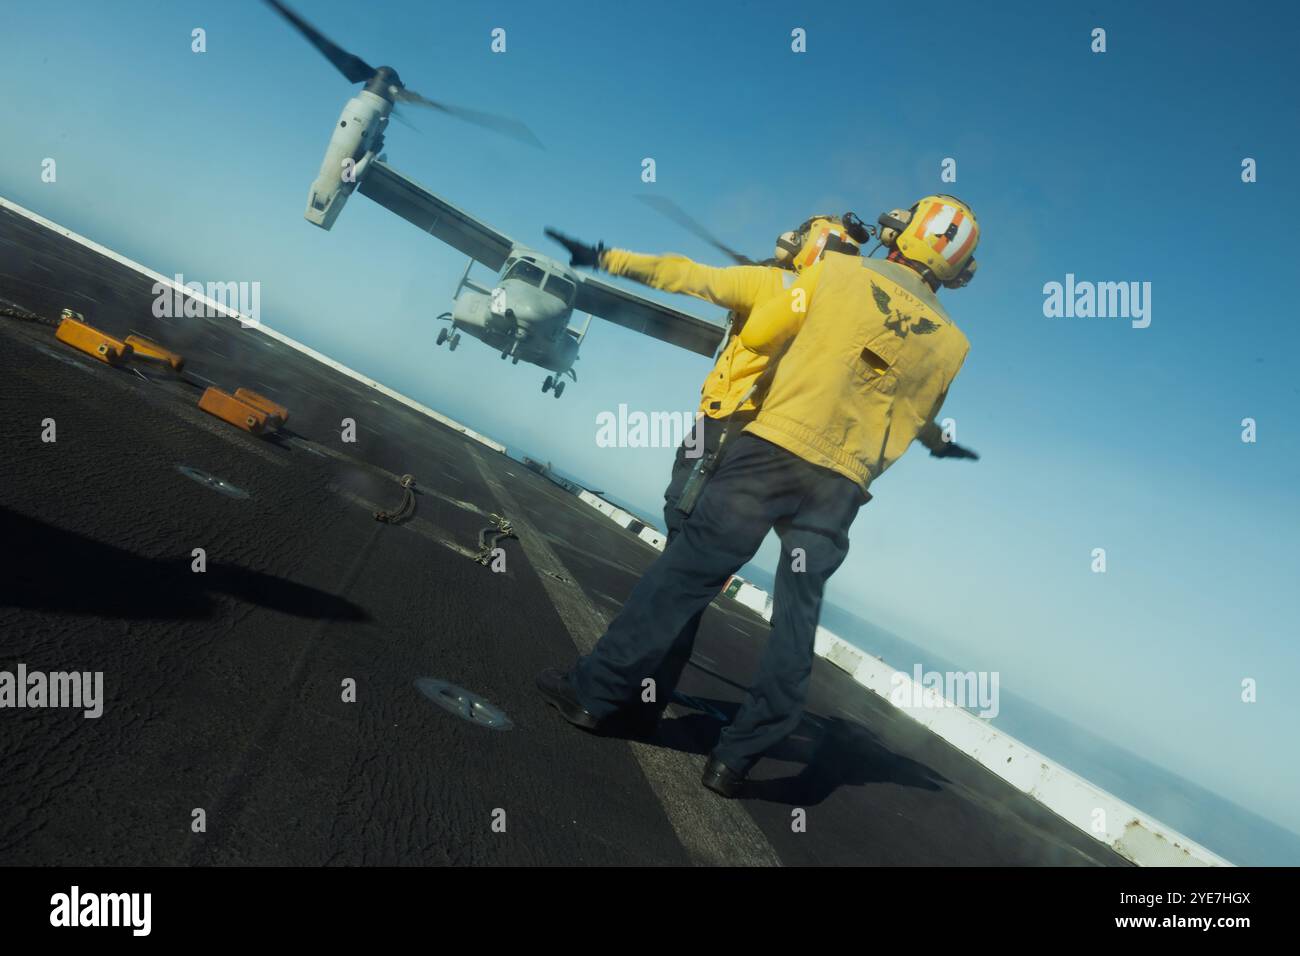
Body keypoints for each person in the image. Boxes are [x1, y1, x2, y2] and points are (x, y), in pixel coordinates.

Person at [538, 194, 980, 797]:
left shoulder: (838, 273)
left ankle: (594, 697)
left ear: (900, 236)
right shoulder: (955, 345)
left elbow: (768, 326)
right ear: (957, 269)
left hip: (771, 450)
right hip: (842, 486)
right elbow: (920, 411)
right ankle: (736, 761)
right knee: (797, 619)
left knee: (683, 577)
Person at [545, 215, 865, 731]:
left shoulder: (771, 284)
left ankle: (612, 697)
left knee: (680, 568)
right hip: (775, 451)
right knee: (693, 574)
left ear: (809, 247)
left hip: (718, 432)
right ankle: (647, 700)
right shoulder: (838, 318)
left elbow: (684, 275)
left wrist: (606, 257)